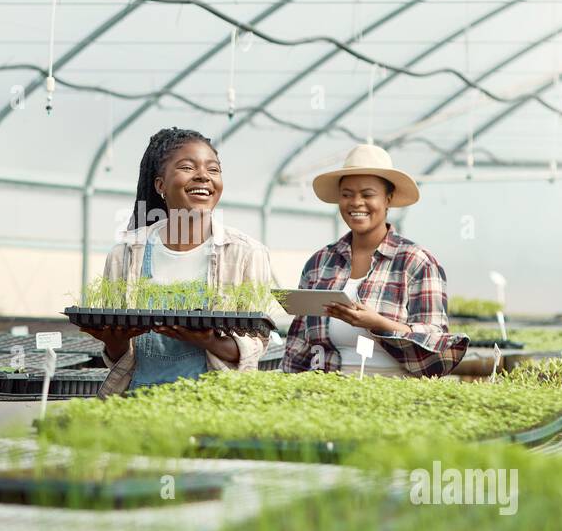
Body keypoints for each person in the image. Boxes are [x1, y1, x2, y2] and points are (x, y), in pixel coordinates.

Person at [81, 127, 278, 396]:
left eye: (213, 170)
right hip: (136, 400)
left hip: (216, 402)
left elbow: (256, 344)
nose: (203, 176)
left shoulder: (245, 253)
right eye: (187, 167)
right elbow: (119, 356)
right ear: (160, 185)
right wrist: (115, 341)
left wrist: (207, 339)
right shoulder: (126, 253)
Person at [281, 143, 467, 377]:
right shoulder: (320, 263)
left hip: (391, 397)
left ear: (388, 199)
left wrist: (379, 323)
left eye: (367, 194)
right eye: (347, 195)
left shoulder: (417, 262)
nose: (356, 203)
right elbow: (299, 342)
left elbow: (436, 344)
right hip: (325, 394)